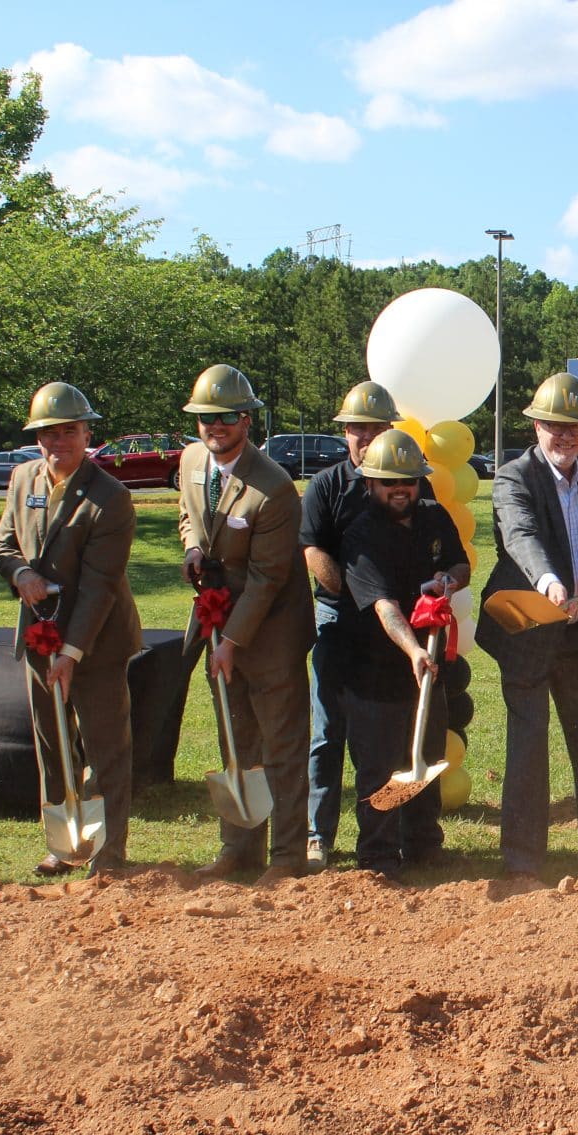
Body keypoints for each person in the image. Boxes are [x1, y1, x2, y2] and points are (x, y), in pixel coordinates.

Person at [474, 371, 578, 877]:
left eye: (576, 426)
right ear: (536, 426)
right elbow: (520, 536)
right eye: (555, 425)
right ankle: (523, 858)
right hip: (529, 628)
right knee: (529, 742)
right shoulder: (512, 478)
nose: (566, 436)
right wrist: (549, 582)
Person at [0, 382, 143, 879]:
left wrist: (72, 653)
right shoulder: (22, 479)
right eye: (50, 433)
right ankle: (63, 842)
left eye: (70, 432)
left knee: (105, 749)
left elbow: (99, 587)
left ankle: (109, 851)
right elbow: (3, 544)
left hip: (95, 643)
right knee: (53, 743)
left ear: (87, 434)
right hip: (40, 639)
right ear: (37, 438)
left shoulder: (111, 497)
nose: (60, 442)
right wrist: (20, 574)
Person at [177, 363, 316, 885]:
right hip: (219, 623)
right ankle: (238, 848)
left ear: (247, 421)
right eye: (206, 418)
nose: (216, 427)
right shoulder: (193, 461)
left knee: (280, 745)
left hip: (271, 631)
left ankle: (287, 856)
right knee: (235, 740)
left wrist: (232, 641)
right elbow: (188, 513)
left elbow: (267, 579)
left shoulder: (274, 489)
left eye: (228, 418)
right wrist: (192, 546)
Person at [338, 431, 470, 876]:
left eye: (409, 482)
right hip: (374, 669)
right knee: (379, 765)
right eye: (390, 482)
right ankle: (376, 854)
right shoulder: (359, 535)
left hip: (427, 669)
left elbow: (461, 565)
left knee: (427, 757)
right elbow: (384, 606)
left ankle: (423, 846)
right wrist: (412, 648)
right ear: (370, 484)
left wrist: (447, 581)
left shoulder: (434, 516)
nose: (401, 490)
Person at [301, 380, 397, 865]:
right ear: (345, 433)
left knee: (377, 737)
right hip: (336, 617)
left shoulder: (401, 483)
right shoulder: (326, 485)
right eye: (357, 428)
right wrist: (349, 589)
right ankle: (318, 834)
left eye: (375, 428)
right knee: (326, 733)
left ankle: (378, 841)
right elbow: (312, 547)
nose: (365, 437)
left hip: (387, 626)